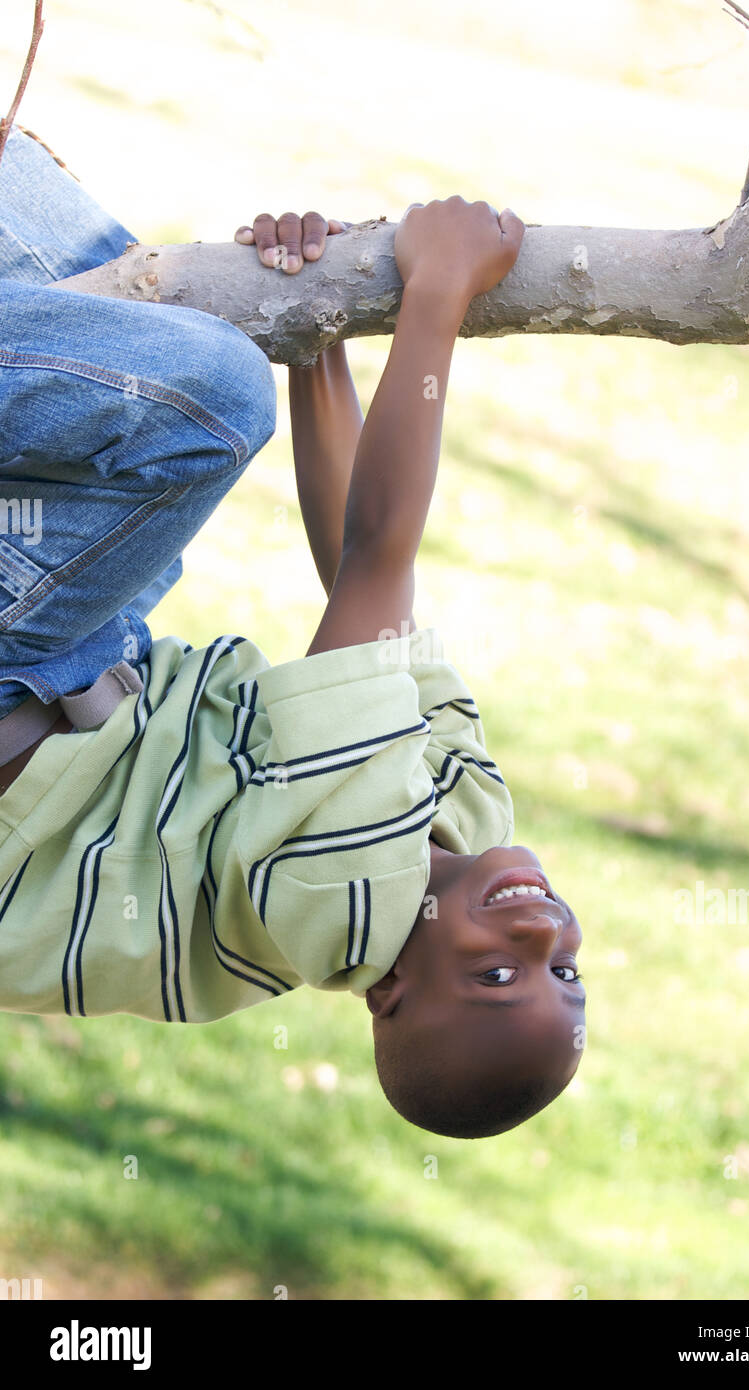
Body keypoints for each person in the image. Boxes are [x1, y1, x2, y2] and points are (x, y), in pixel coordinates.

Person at [0, 127, 585, 1138]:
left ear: (390, 991)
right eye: (563, 968)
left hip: (29, 675)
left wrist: (438, 291)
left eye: (499, 972)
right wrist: (317, 324)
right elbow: (358, 574)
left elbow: (375, 554)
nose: (539, 928)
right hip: (77, 655)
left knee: (209, 400)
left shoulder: (345, 900)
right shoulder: (467, 819)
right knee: (120, 307)